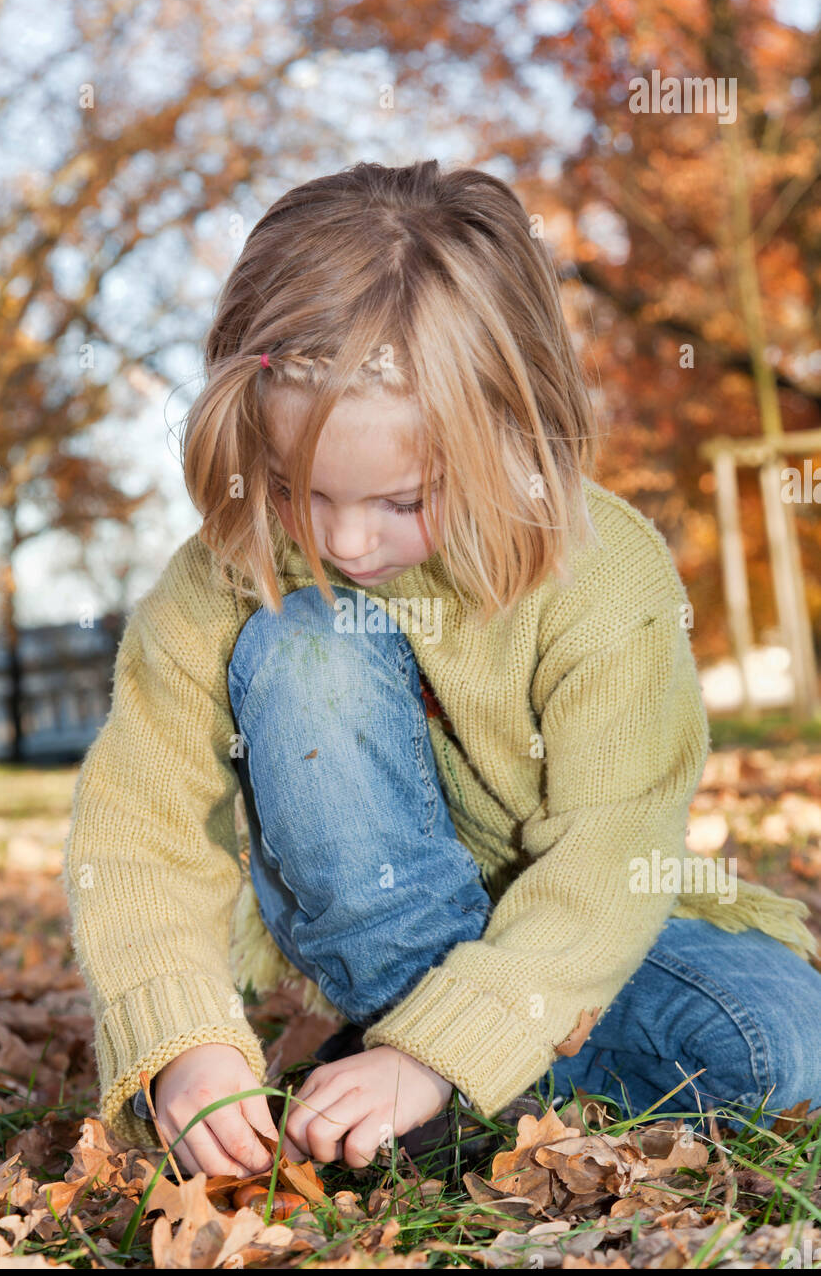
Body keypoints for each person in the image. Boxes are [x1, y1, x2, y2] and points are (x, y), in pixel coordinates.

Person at [64, 159, 821, 1181]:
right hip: (390, 946)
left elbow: (607, 855)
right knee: (307, 647)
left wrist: (446, 1046)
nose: (347, 541)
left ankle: (434, 1082)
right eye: (298, 489)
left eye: (403, 501)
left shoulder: (602, 570)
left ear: (515, 434)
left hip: (584, 940)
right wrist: (184, 1042)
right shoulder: (225, 578)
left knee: (782, 1044)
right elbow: (143, 825)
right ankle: (431, 1078)